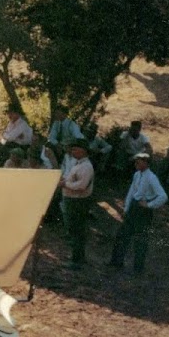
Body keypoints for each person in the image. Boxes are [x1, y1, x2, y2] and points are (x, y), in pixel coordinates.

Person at [108, 152, 167, 274]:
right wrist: (126, 208)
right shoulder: (137, 175)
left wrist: (149, 205)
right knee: (122, 235)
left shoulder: (151, 177)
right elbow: (131, 191)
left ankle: (138, 268)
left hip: (143, 211)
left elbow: (163, 196)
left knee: (141, 239)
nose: (136, 164)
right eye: (136, 161)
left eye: (139, 161)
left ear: (146, 163)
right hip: (133, 208)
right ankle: (116, 261)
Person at [60, 138, 95, 269]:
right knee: (74, 230)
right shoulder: (78, 164)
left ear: (83, 151)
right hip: (72, 200)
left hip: (78, 202)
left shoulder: (86, 166)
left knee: (76, 231)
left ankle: (77, 261)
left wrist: (65, 184)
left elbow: (81, 186)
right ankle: (77, 257)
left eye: (75, 149)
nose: (72, 151)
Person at [42, 106, 82, 171]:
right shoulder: (56, 123)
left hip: (69, 146)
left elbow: (78, 137)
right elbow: (51, 137)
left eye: (58, 113)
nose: (56, 115)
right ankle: (52, 167)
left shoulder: (72, 124)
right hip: (59, 146)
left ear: (64, 114)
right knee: (47, 147)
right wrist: (58, 144)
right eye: (56, 113)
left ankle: (61, 169)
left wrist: (68, 146)